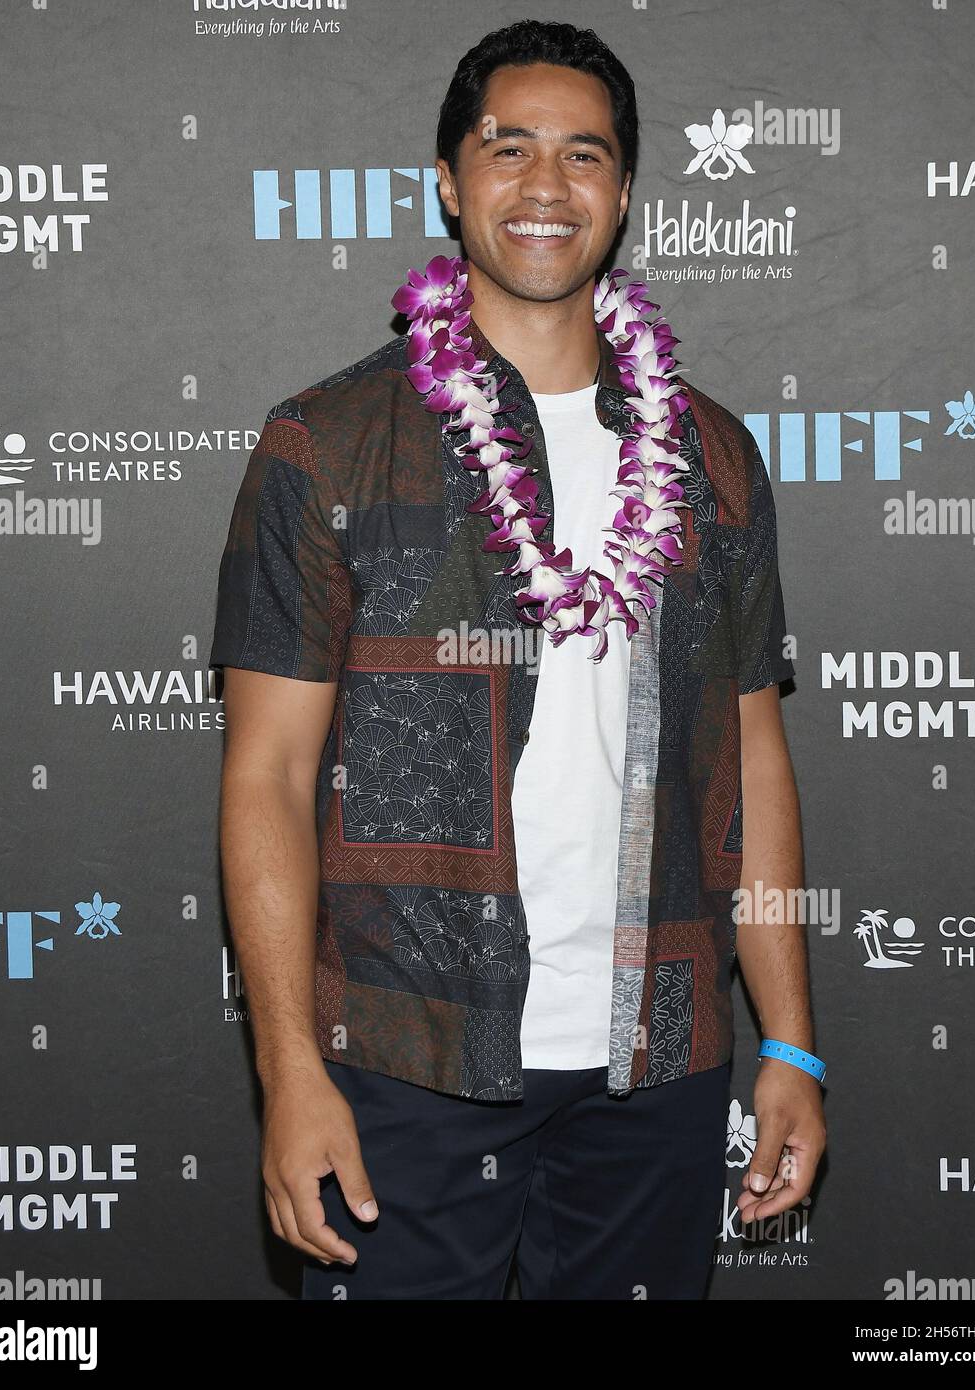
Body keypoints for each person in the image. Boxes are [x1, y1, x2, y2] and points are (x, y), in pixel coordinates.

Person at [208, 18, 825, 1301]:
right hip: (399, 1054)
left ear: (624, 192)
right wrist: (289, 1070)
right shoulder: (324, 445)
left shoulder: (711, 458)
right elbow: (266, 777)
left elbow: (753, 767)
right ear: (447, 179)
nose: (546, 186)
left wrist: (793, 1048)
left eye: (584, 155)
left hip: (654, 1061)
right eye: (508, 148)